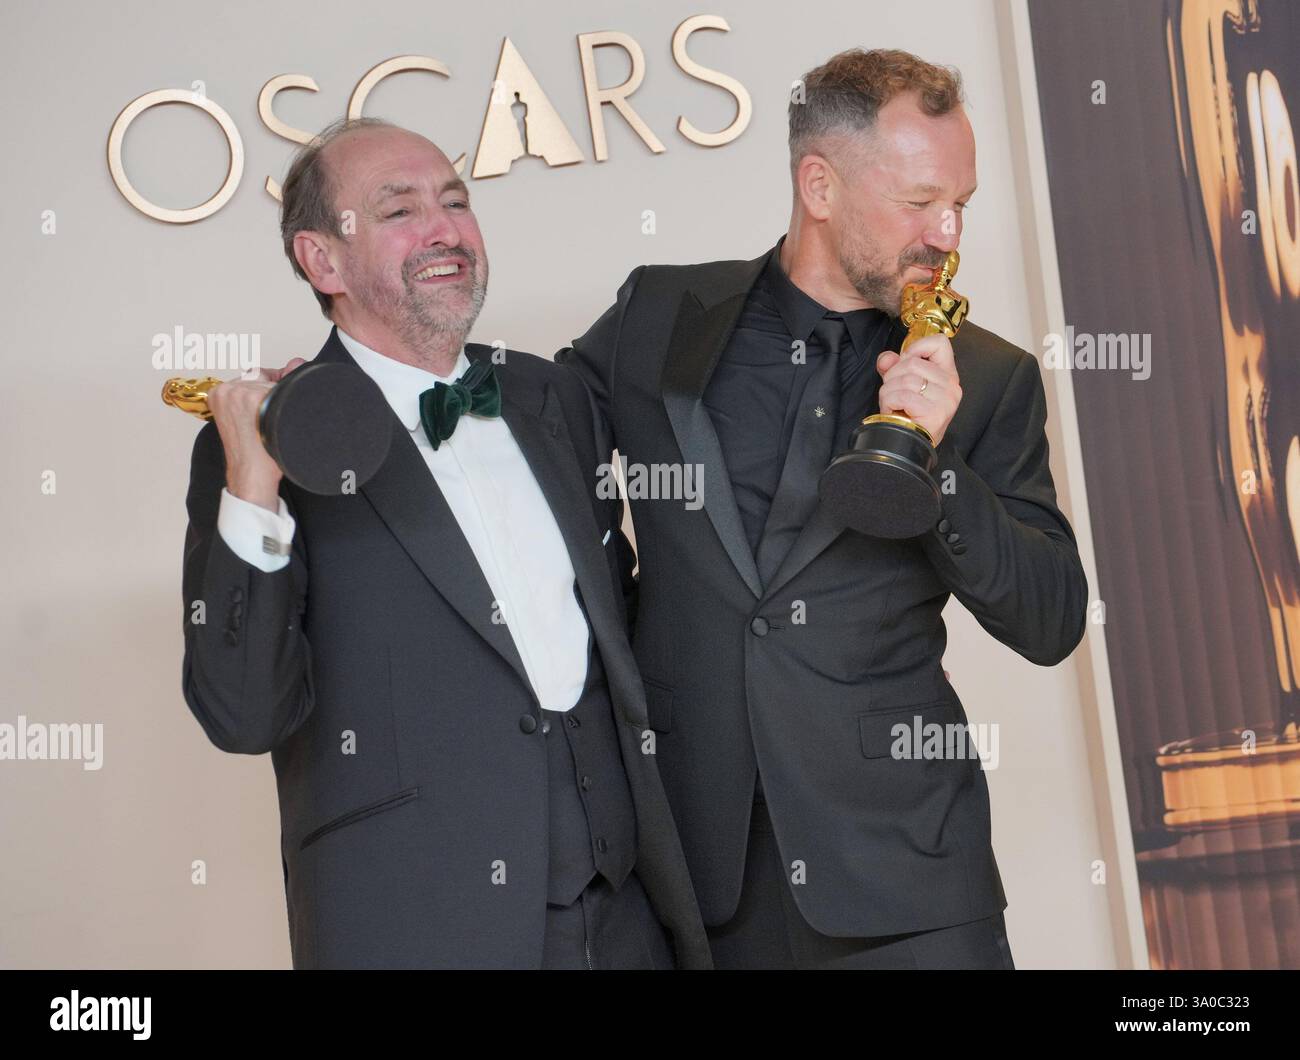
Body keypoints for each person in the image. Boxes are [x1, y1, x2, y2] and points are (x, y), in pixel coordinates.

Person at [556, 48, 1088, 969]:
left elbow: (1052, 617)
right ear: (820, 185)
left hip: (915, 893)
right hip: (704, 891)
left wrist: (939, 460)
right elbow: (541, 451)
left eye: (961, 201)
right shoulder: (659, 314)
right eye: (921, 201)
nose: (949, 231)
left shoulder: (992, 378)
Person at [180, 117, 710, 969]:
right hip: (418, 924)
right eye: (399, 211)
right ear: (323, 260)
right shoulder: (275, 443)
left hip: (627, 916)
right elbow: (243, 715)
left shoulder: (550, 397)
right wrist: (253, 478)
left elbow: (622, 621)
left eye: (455, 201)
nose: (444, 229)